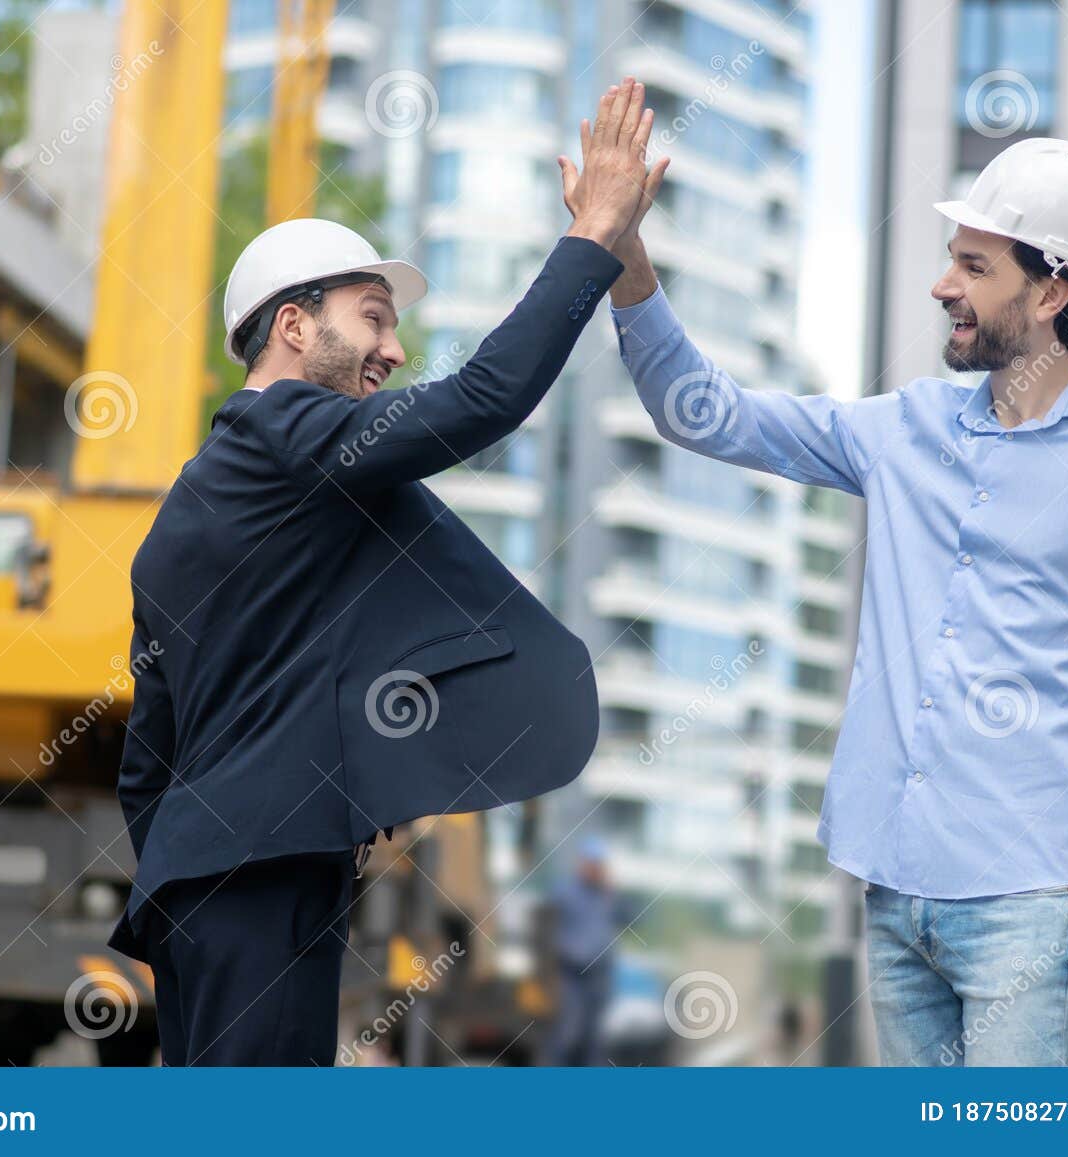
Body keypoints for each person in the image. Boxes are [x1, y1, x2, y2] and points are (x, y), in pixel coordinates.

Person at [605, 137, 1068, 1065]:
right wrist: (625, 254)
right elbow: (701, 411)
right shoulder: (902, 428)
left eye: (972, 264)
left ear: (1051, 293)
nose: (941, 285)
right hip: (890, 890)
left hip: (1029, 908)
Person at [108, 79, 667, 1066]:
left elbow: (148, 758)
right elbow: (483, 400)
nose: (392, 348)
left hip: (201, 888)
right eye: (371, 318)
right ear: (291, 326)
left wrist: (194, 881)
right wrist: (596, 235)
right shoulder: (285, 434)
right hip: (263, 873)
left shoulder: (192, 507)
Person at [548, 838, 624, 1066]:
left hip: (598, 977)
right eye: (591, 863)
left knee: (594, 1040)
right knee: (568, 1035)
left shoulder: (608, 896)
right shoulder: (564, 892)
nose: (595, 869)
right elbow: (546, 926)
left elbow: (630, 916)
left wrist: (613, 892)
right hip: (570, 974)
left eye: (599, 864)